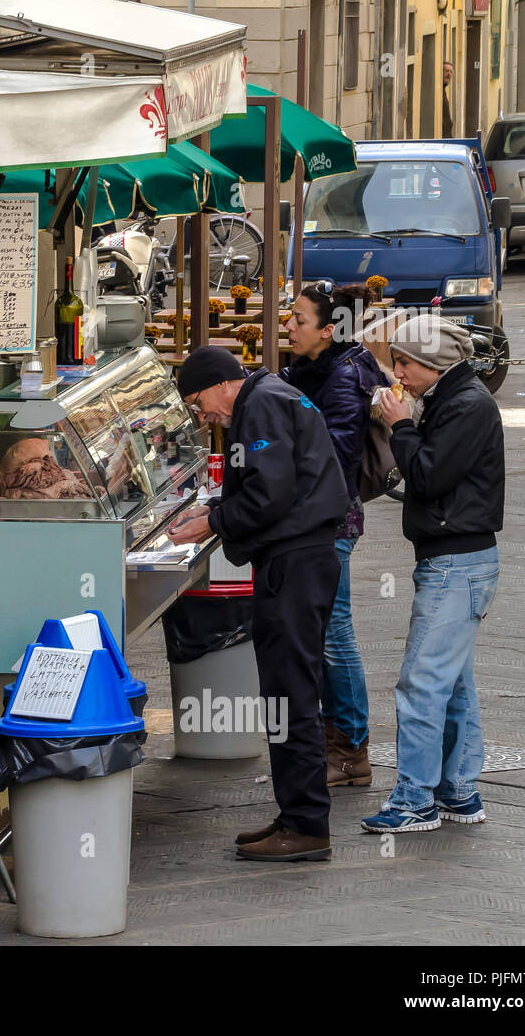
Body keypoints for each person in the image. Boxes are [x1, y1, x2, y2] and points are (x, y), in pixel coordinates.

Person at [168, 346, 349, 861]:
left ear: (224, 382)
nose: (203, 416)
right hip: (301, 558)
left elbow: (269, 494)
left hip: (295, 563)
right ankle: (296, 814)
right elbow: (276, 484)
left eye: (199, 402)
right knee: (286, 692)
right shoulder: (270, 397)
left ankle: (307, 826)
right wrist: (221, 508)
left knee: (288, 695)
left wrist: (213, 521)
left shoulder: (261, 404)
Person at [360, 319, 504, 833]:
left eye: (406, 363)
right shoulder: (455, 397)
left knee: (420, 683)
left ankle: (414, 799)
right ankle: (459, 791)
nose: (398, 372)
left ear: (436, 363)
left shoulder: (467, 404)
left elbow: (426, 474)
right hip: (456, 559)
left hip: (456, 563)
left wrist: (400, 424)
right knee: (453, 682)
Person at [281, 283, 390, 787]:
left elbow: (336, 454)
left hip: (330, 520)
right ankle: (337, 741)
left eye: (299, 319)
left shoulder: (343, 377)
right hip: (316, 517)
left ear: (329, 331)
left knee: (334, 632)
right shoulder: (314, 368)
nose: (289, 325)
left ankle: (350, 749)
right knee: (325, 631)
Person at [442, 61, 454, 139]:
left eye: (451, 72)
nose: (449, 74)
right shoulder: (439, 91)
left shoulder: (443, 91)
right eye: (446, 71)